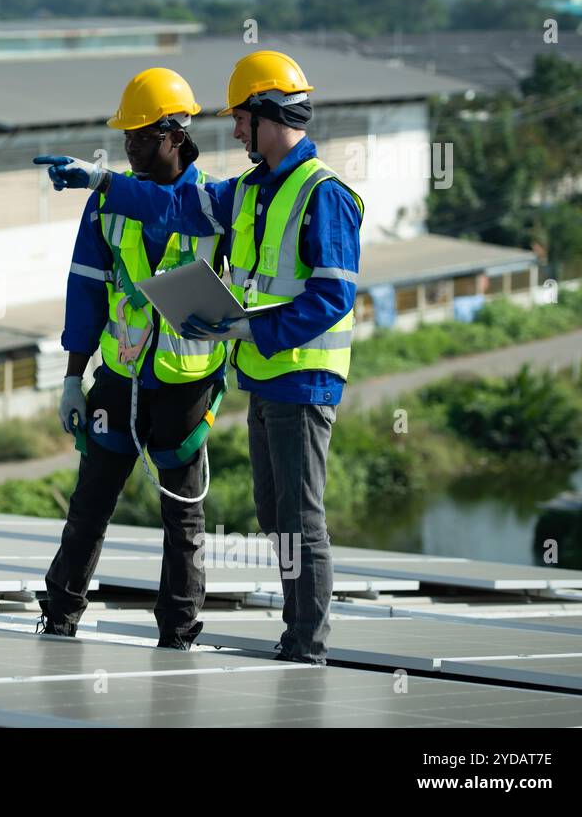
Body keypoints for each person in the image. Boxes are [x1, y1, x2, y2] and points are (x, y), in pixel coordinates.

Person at [38, 50, 364, 665]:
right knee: (275, 518)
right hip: (257, 380)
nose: (235, 130)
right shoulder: (248, 192)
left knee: (297, 524)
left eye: (242, 118)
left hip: (290, 382)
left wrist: (244, 324)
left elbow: (333, 295)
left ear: (267, 114)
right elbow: (174, 211)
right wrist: (101, 181)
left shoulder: (323, 194)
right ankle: (295, 642)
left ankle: (303, 648)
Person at [31, 68, 228, 650]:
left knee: (182, 521)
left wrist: (101, 180)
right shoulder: (105, 208)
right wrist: (72, 379)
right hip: (118, 381)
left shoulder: (213, 203)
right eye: (126, 137)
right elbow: (85, 291)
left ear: (174, 133)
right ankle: (60, 614)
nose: (128, 148)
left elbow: (169, 209)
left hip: (184, 384)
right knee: (89, 505)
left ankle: (179, 635)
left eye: (140, 137)